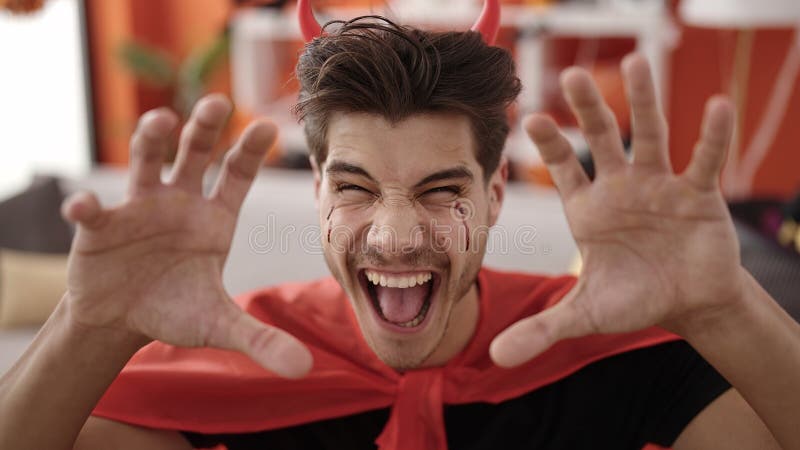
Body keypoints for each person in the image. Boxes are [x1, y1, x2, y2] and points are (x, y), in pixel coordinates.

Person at [1, 1, 798, 449]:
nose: (393, 236)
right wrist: (87, 327)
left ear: (493, 196)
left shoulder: (603, 360)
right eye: (354, 188)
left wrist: (724, 308)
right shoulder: (237, 367)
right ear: (315, 192)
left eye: (440, 189)